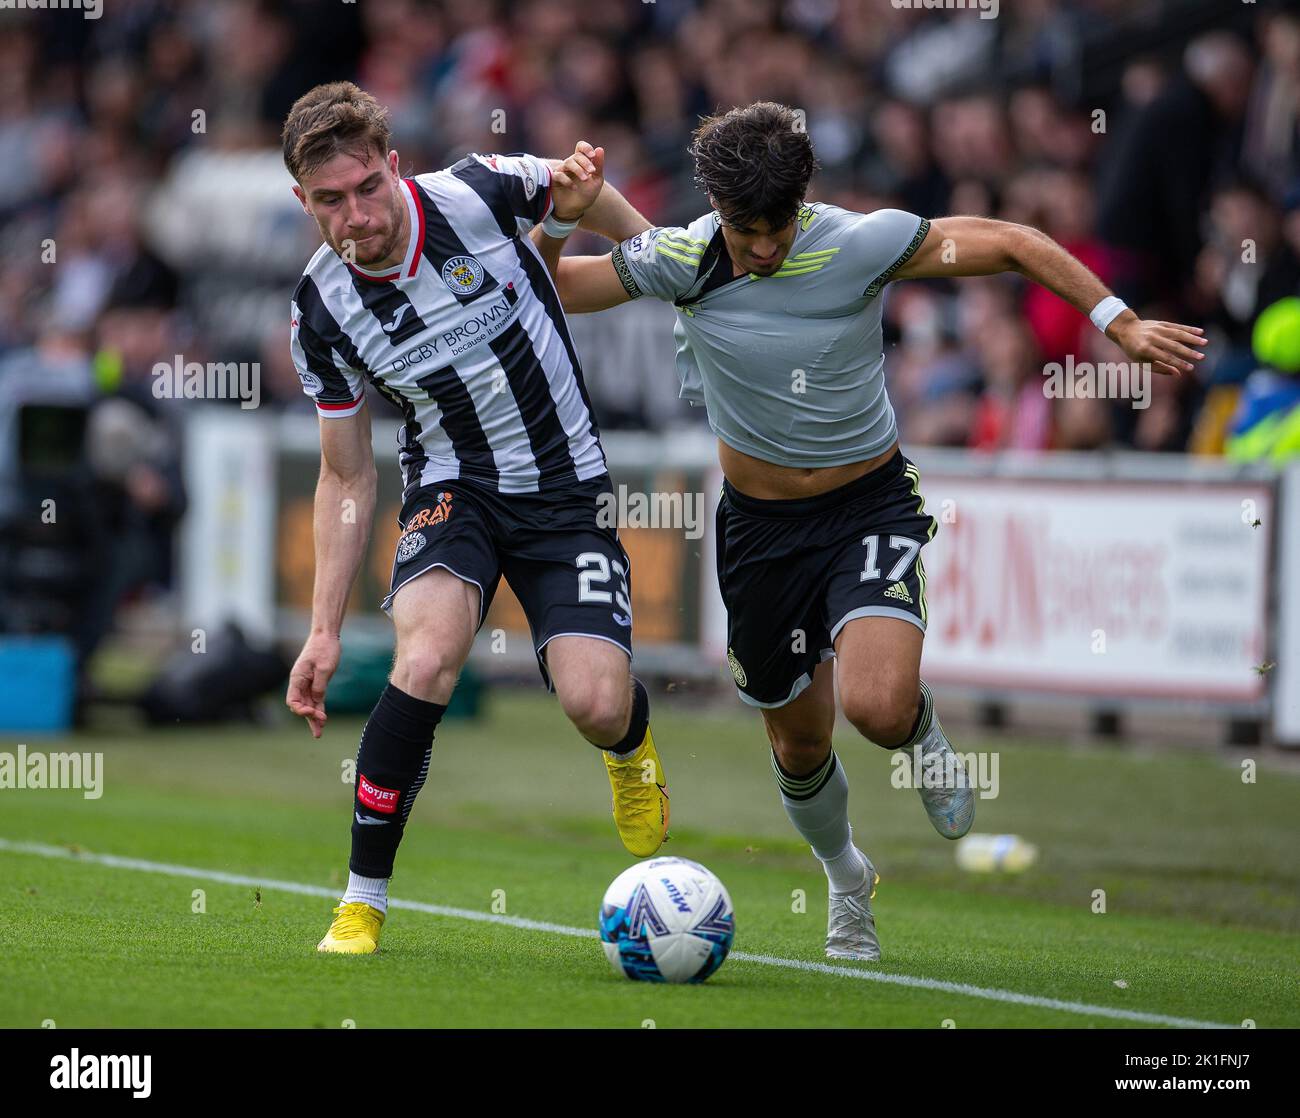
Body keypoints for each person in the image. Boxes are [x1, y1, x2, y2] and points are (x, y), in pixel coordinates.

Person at [539, 102, 1207, 961]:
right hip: (760, 530)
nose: (768, 249)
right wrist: (561, 220)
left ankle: (921, 729)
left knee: (877, 708)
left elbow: (1013, 241)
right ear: (717, 211)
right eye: (748, 232)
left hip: (868, 505)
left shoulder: (861, 242)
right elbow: (554, 289)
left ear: (803, 204)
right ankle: (847, 877)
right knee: (801, 738)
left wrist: (1121, 324)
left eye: (780, 227)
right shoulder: (680, 258)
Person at [280, 82, 666, 955]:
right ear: (302, 202)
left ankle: (631, 749)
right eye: (330, 203)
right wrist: (322, 631)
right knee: (423, 659)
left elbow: (577, 193)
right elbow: (344, 479)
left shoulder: (474, 190)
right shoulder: (319, 310)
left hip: (568, 487)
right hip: (453, 488)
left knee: (596, 703)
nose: (357, 218)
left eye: (367, 188)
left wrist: (665, 261)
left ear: (393, 167)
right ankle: (361, 901)